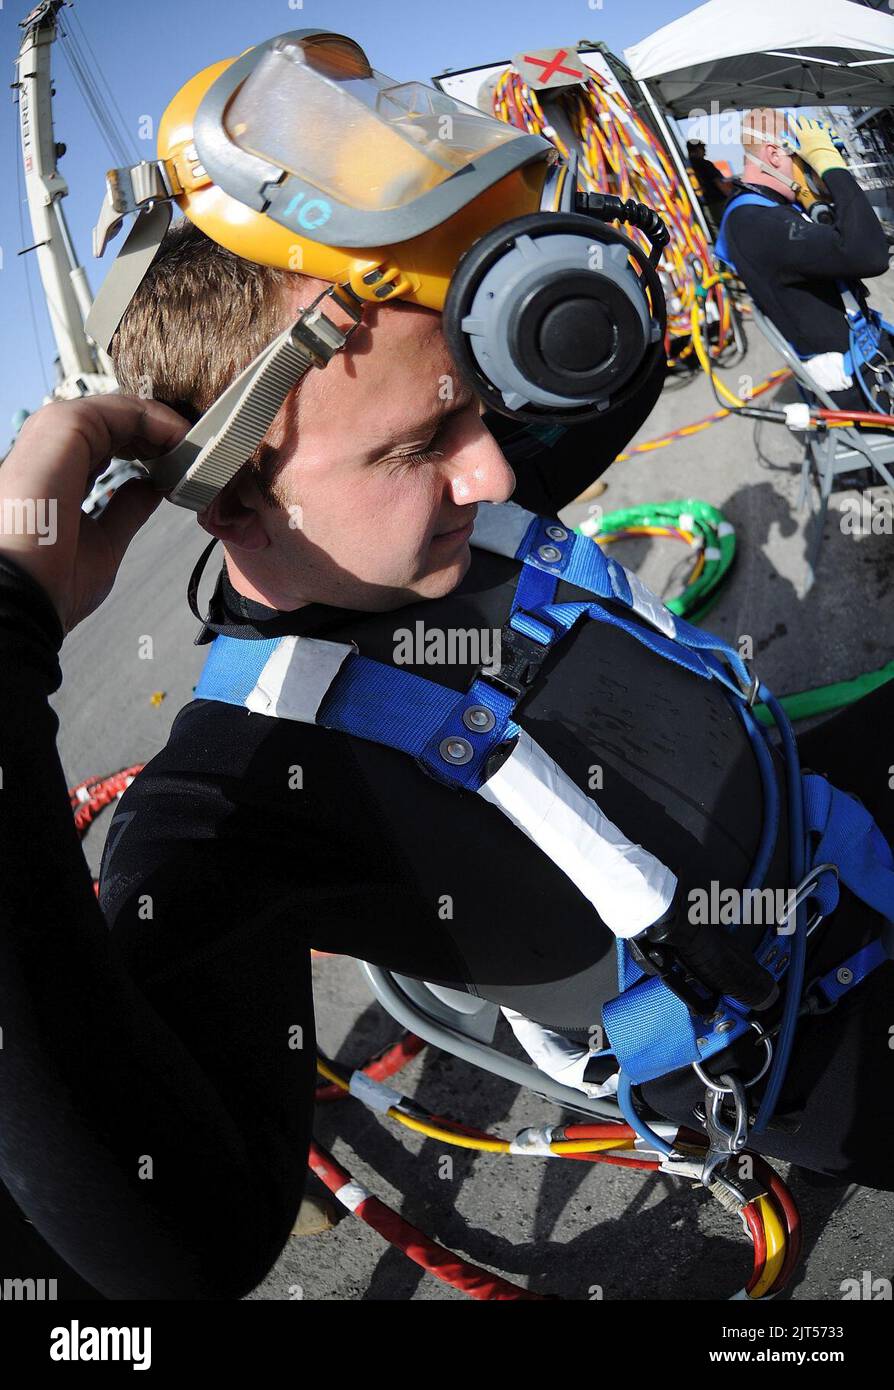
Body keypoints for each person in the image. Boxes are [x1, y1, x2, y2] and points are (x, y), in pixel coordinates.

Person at [2, 206, 893, 1301]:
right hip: (819, 1030)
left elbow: (615, 341)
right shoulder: (232, 800)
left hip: (830, 811)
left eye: (467, 405)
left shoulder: (447, 509)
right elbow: (178, 1240)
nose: (494, 476)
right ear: (232, 495)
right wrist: (7, 622)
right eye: (419, 446)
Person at [716, 108, 892, 413]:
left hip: (870, 356)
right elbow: (869, 254)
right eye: (805, 160)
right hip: (861, 387)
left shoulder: (768, 209)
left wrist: (813, 201)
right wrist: (832, 167)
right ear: (774, 155)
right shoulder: (755, 221)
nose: (812, 170)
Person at [685, 138, 733, 229]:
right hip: (718, 203)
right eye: (703, 149)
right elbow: (719, 184)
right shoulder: (705, 164)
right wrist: (731, 197)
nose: (705, 152)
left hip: (702, 205)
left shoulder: (686, 165)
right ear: (697, 150)